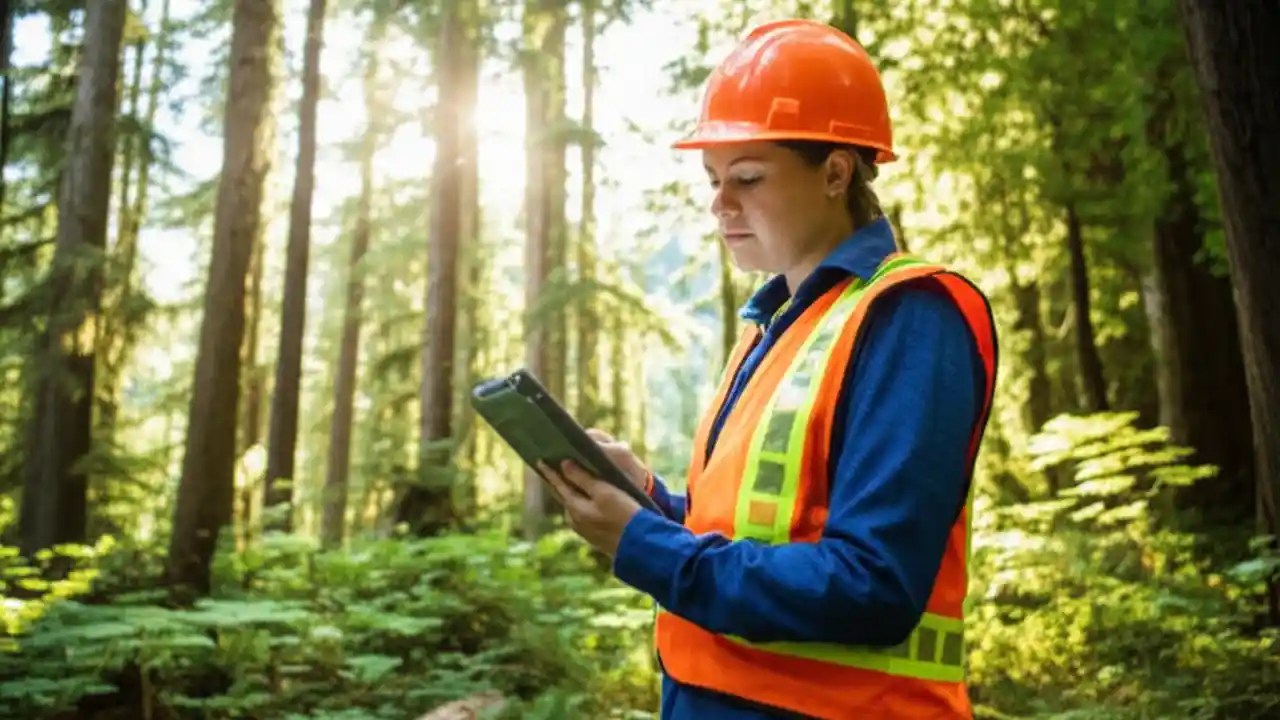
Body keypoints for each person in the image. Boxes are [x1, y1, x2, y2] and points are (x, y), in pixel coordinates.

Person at [537, 18, 998, 720]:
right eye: (714, 180)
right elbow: (756, 537)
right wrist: (651, 500)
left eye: (747, 178)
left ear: (836, 173)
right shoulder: (774, 327)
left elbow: (873, 585)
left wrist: (645, 546)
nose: (720, 205)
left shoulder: (911, 318)